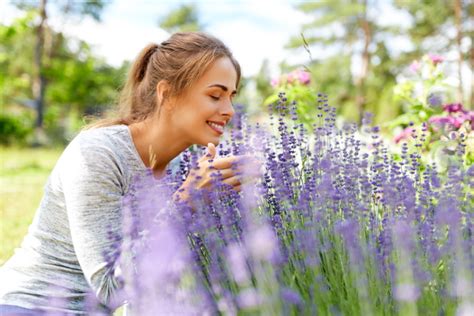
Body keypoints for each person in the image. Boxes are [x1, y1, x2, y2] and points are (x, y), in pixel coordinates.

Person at [0, 32, 244, 315]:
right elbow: (110, 287)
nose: (229, 111)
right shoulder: (97, 154)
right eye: (215, 95)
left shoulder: (186, 167)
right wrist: (186, 201)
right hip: (30, 304)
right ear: (167, 94)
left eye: (232, 97)